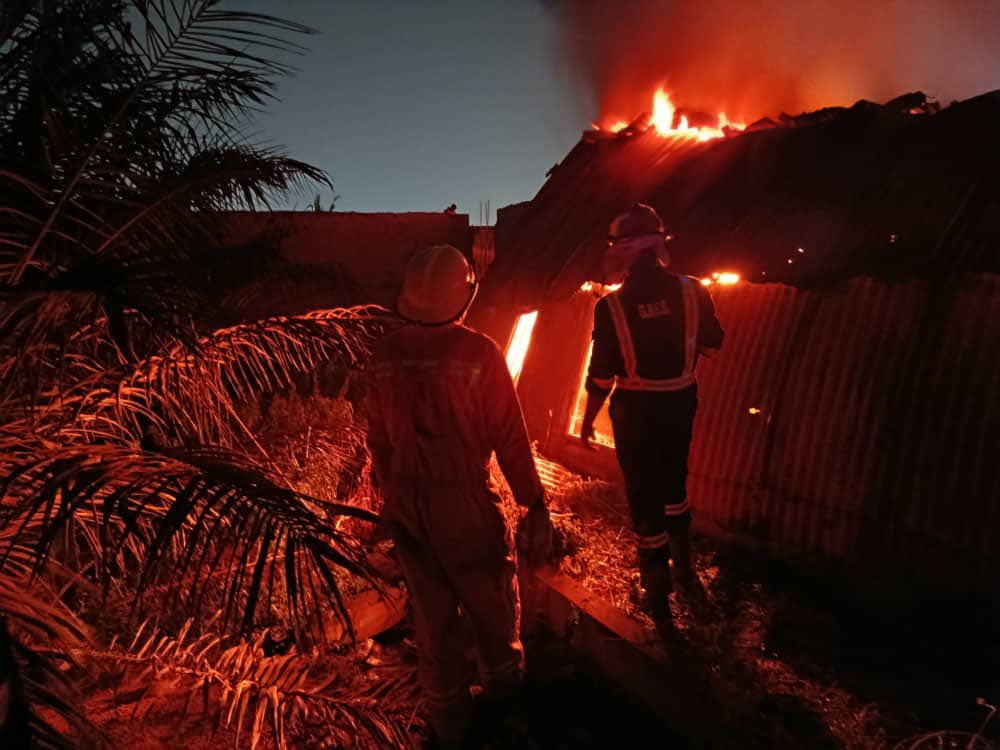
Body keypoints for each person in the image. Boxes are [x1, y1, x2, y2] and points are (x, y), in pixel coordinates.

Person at [365, 244, 552, 748]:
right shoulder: (480, 353)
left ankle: (450, 729)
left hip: (409, 507)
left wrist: (393, 494)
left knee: (432, 624)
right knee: (492, 610)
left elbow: (378, 439)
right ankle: (505, 714)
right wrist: (535, 503)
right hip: (466, 506)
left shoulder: (385, 356)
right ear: (464, 297)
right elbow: (510, 439)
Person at [579, 204, 724, 638]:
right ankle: (685, 568)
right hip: (681, 401)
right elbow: (714, 346)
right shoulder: (693, 290)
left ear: (622, 249)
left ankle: (657, 592)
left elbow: (602, 374)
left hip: (636, 410)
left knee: (644, 495)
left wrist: (589, 418)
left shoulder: (611, 307)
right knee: (675, 484)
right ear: (659, 243)